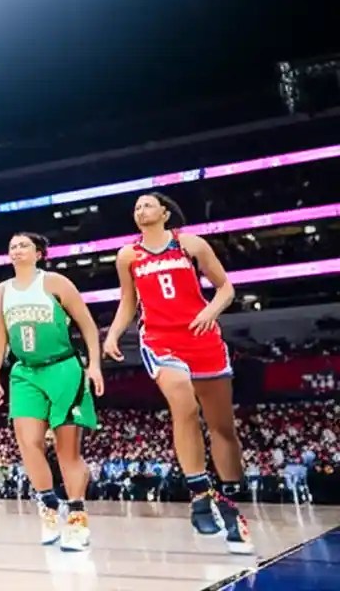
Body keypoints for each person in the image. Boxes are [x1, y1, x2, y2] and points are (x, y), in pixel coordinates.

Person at [103, 192, 253, 555]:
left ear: (165, 212)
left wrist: (210, 312)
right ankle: (200, 495)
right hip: (159, 339)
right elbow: (129, 301)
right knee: (183, 404)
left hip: (203, 339)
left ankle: (232, 508)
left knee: (222, 428)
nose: (141, 210)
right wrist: (111, 333)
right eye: (137, 207)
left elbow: (226, 288)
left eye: (148, 205)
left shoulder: (190, 244)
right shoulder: (128, 255)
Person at [0, 232, 103, 552]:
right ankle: (49, 508)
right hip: (24, 372)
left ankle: (78, 518)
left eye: (23, 245)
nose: (17, 250)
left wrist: (94, 365)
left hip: (63, 368)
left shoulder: (56, 283)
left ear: (39, 253)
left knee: (68, 451)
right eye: (12, 246)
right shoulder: (1, 291)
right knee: (28, 443)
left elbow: (88, 325)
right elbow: (1, 336)